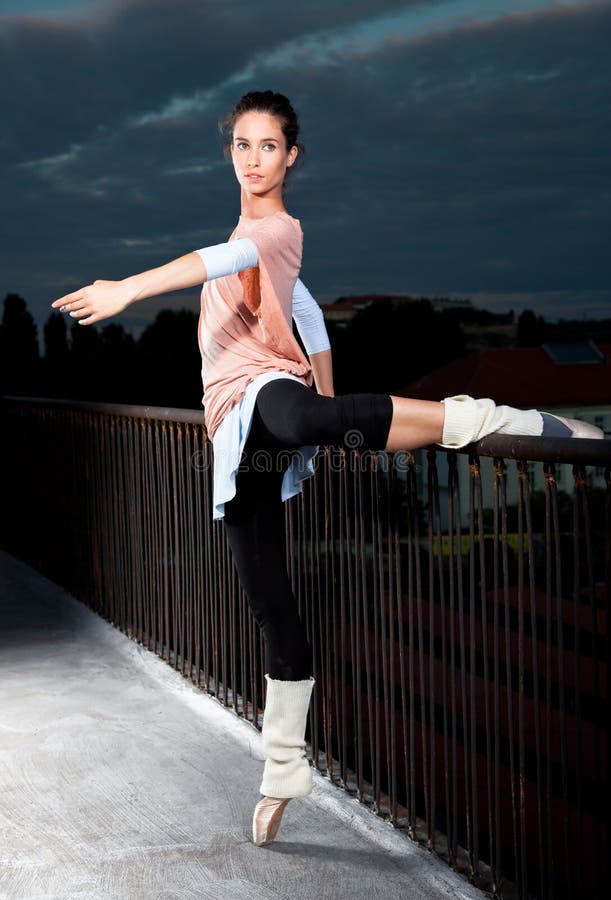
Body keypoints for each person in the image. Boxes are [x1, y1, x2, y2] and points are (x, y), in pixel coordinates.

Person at [51, 90, 603, 847]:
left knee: (299, 415)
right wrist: (335, 405)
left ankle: (498, 419)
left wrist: (128, 288)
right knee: (270, 604)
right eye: (241, 145)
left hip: (266, 394)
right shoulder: (254, 243)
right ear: (230, 154)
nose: (253, 159)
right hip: (233, 433)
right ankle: (283, 769)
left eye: (268, 146)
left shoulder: (275, 230)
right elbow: (307, 313)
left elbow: (226, 260)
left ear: (291, 156)